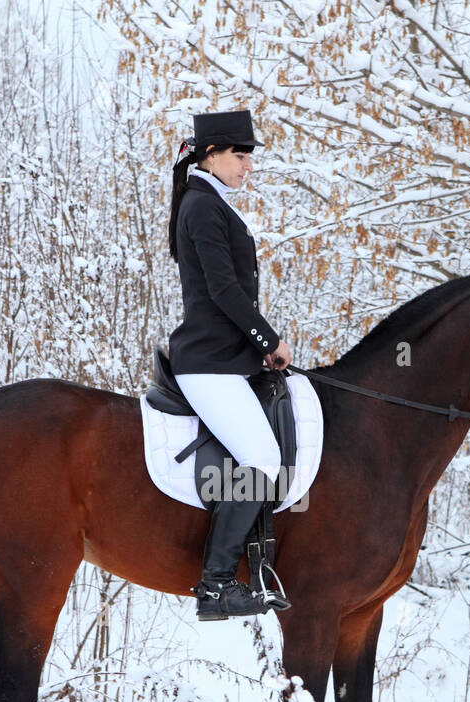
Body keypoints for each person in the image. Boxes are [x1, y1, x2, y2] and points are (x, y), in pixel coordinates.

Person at [168, 109, 292, 621]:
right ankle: (216, 585)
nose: (247, 166)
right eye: (240, 156)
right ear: (211, 155)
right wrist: (269, 339)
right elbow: (223, 290)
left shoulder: (211, 201)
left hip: (226, 359)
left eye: (248, 157)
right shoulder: (202, 205)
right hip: (209, 365)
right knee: (263, 461)